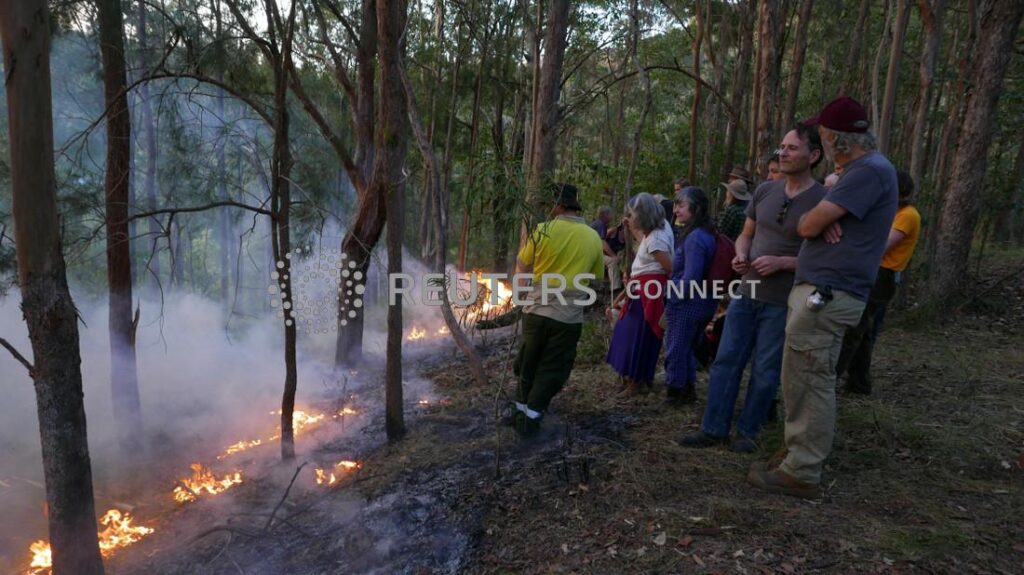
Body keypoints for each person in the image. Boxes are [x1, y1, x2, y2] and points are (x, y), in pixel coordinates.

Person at [747, 96, 897, 498]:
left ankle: (802, 469)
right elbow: (813, 220)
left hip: (829, 293)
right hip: (823, 290)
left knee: (810, 380)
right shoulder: (859, 171)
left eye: (825, 136)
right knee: (801, 377)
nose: (824, 142)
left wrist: (822, 217)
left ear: (837, 140)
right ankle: (798, 451)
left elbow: (807, 223)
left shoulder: (868, 172)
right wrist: (829, 204)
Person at [679, 124, 826, 452]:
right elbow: (746, 233)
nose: (783, 153)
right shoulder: (764, 191)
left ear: (813, 155)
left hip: (782, 300)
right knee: (726, 360)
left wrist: (783, 263)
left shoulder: (823, 201)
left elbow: (827, 259)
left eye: (792, 148)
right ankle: (713, 428)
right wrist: (741, 254)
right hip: (746, 294)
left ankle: (748, 432)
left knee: (765, 369)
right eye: (782, 147)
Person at [513, 183, 605, 438]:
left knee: (528, 362)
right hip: (568, 317)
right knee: (552, 367)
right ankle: (531, 416)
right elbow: (595, 278)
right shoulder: (593, 237)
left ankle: (520, 413)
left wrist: (521, 296)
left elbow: (521, 265)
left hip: (536, 312)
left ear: (559, 205)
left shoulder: (543, 230)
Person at [835, 170, 921, 394]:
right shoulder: (889, 210)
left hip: (883, 275)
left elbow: (882, 246)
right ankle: (859, 383)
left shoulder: (908, 215)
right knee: (861, 331)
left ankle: (831, 380)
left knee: (853, 328)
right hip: (871, 271)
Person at [607, 193, 673, 395]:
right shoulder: (660, 228)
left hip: (648, 295)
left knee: (637, 337)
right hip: (643, 291)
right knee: (631, 335)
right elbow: (645, 240)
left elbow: (670, 268)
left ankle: (636, 381)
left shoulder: (657, 241)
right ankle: (637, 378)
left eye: (633, 214)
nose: (631, 217)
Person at [663, 187, 719, 406]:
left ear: (696, 208)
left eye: (681, 205)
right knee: (686, 347)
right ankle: (686, 389)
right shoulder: (704, 233)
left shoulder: (696, 237)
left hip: (689, 302)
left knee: (676, 347)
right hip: (702, 301)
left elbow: (691, 277)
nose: (676, 210)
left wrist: (673, 298)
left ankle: (677, 391)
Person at [591, 206, 624, 295]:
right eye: (611, 214)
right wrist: (613, 256)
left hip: (592, 252)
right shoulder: (600, 225)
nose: (612, 216)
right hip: (591, 253)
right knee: (612, 262)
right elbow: (602, 242)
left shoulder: (599, 224)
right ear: (606, 214)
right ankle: (615, 289)